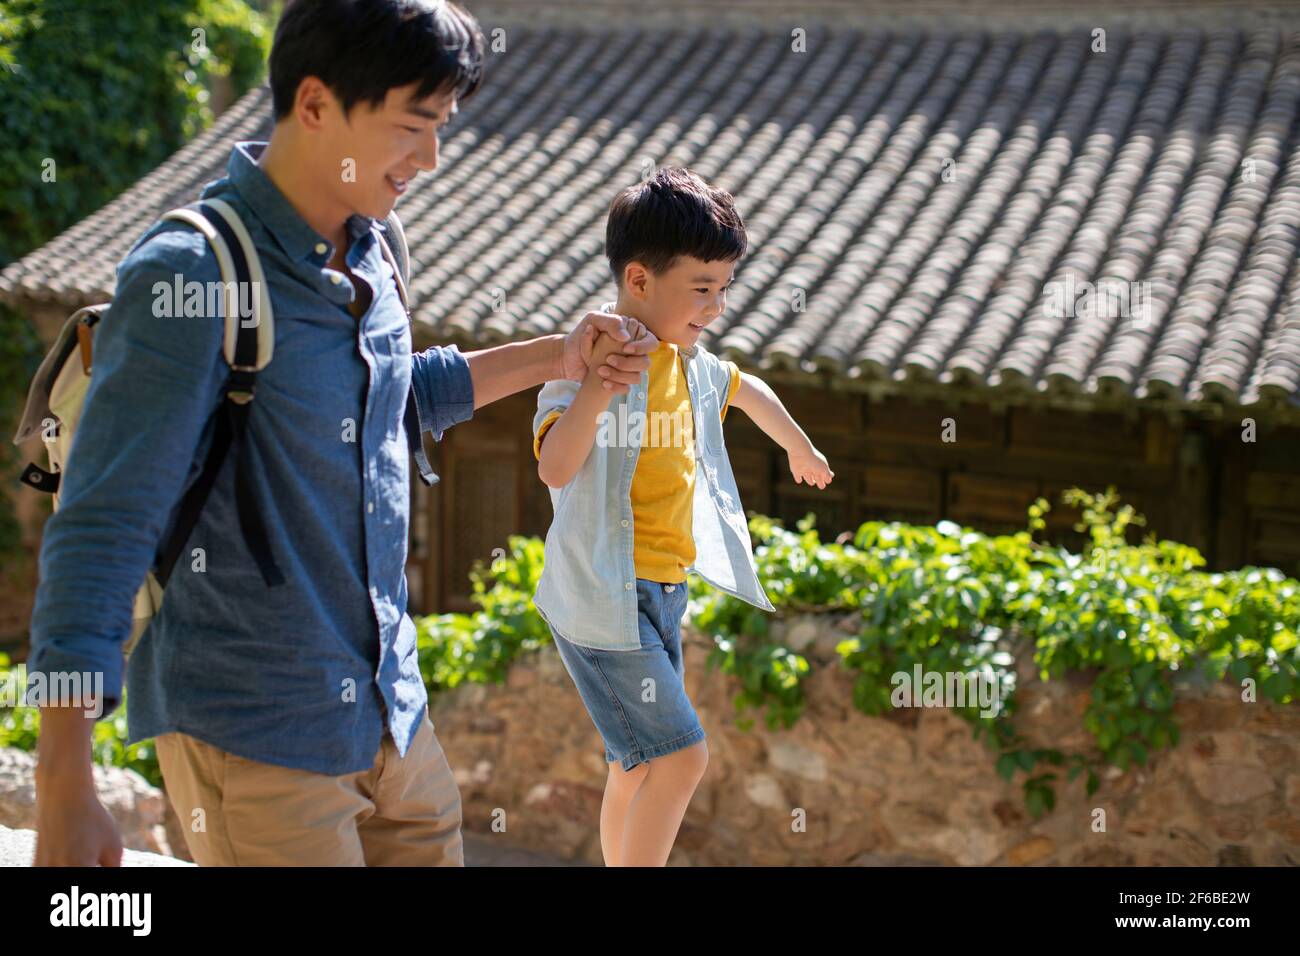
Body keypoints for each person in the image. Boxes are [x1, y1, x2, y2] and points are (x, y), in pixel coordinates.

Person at [29, 0, 657, 867]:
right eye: (415, 125)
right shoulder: (194, 274)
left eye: (442, 125)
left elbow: (399, 398)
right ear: (317, 104)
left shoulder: (374, 248)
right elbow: (101, 528)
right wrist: (64, 783)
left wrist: (563, 354)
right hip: (258, 734)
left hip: (393, 717)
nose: (432, 156)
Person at [532, 166, 835, 866]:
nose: (717, 306)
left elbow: (749, 389)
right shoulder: (585, 361)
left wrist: (799, 444)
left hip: (662, 594)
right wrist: (597, 392)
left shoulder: (691, 367)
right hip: (604, 599)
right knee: (684, 757)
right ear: (639, 281)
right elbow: (555, 468)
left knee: (636, 764)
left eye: (724, 289)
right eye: (702, 289)